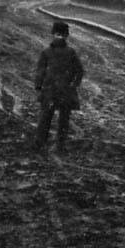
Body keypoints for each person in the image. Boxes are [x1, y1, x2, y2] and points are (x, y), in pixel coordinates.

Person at [31, 20, 85, 154]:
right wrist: (73, 85)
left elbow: (40, 71)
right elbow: (79, 71)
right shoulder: (70, 52)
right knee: (62, 119)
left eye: (59, 35)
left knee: (46, 117)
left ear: (54, 34)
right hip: (64, 91)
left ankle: (41, 143)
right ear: (66, 35)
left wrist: (38, 87)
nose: (59, 37)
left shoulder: (47, 52)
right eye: (59, 34)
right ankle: (58, 145)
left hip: (51, 90)